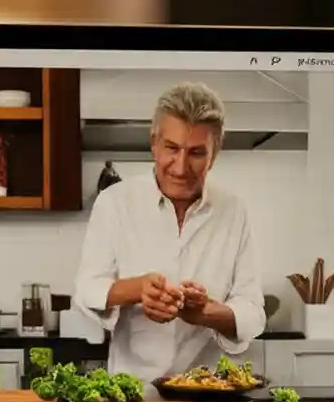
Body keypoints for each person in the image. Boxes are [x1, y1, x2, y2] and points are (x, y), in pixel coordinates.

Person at [72, 81, 266, 382]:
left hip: (207, 394)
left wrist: (206, 313)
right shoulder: (114, 202)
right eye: (172, 148)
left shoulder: (234, 210)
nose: (180, 166)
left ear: (215, 153)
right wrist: (138, 289)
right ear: (154, 142)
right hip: (133, 397)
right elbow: (87, 290)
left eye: (197, 153)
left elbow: (253, 312)